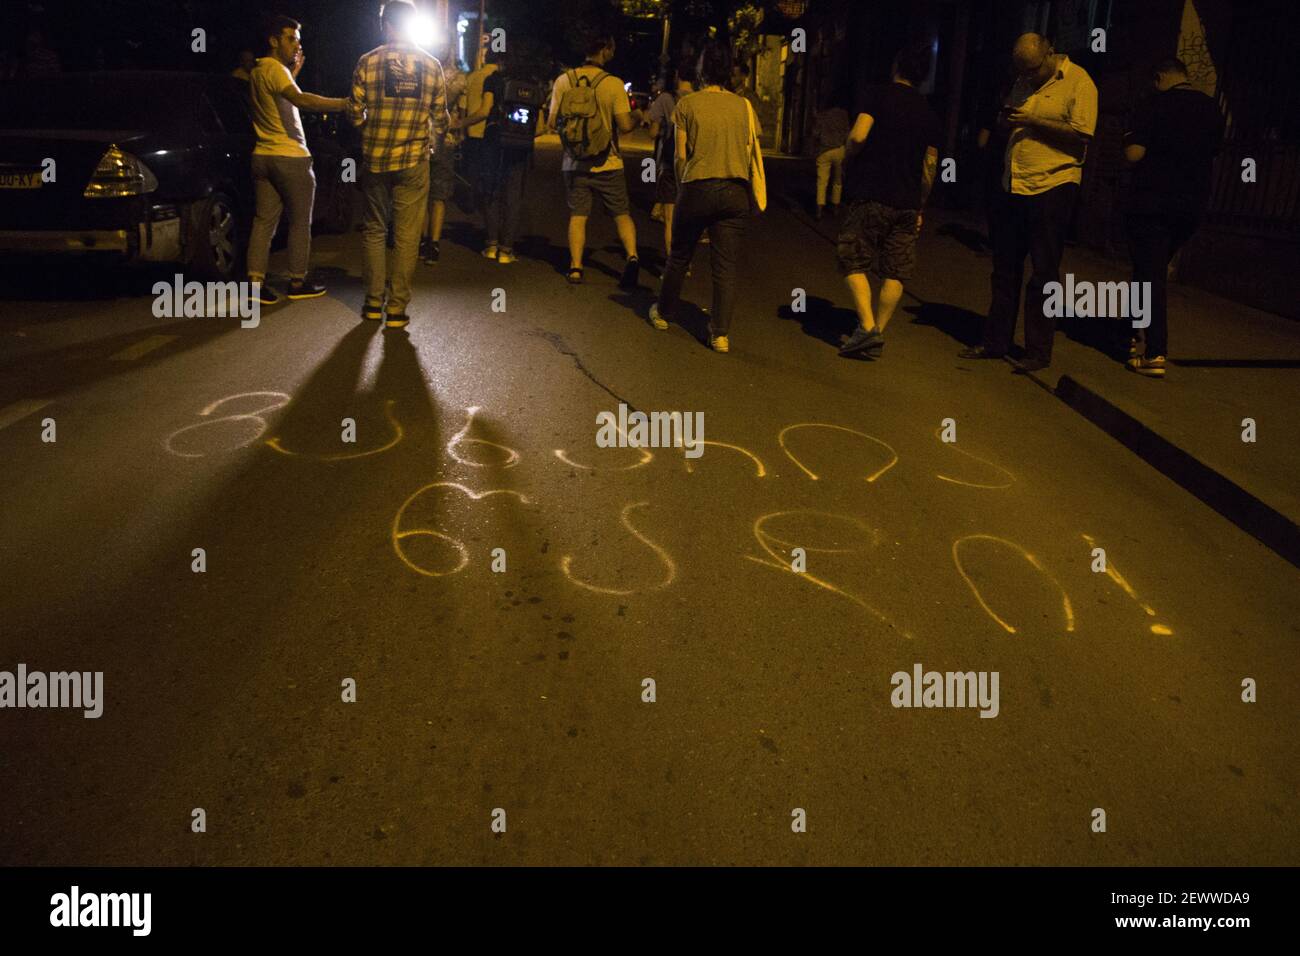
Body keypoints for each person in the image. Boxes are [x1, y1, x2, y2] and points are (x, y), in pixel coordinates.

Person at [961, 33, 1097, 371]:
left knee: (1044, 272)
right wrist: (1004, 124)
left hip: (1053, 184)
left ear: (1050, 53)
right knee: (1004, 267)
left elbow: (1082, 136)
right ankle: (995, 341)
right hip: (1015, 182)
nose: (1028, 77)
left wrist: (1033, 121)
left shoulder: (1080, 82)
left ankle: (1038, 351)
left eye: (1033, 70)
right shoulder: (1021, 81)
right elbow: (1007, 123)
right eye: (1022, 70)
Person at [649, 44, 758, 354]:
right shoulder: (744, 107)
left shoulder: (687, 105)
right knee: (725, 266)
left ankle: (664, 313)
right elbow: (751, 145)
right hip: (736, 190)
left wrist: (684, 187)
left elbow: (680, 156)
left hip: (698, 186)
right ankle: (720, 334)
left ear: (701, 70)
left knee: (680, 256)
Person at [835, 42, 941, 358]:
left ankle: (867, 327)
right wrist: (920, 206)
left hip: (871, 192)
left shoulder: (876, 94)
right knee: (896, 270)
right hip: (907, 200)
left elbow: (858, 135)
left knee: (851, 257)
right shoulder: (929, 112)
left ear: (897, 66)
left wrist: (847, 156)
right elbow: (930, 167)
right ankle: (877, 333)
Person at [348, 0, 449, 329]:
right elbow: (441, 118)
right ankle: (397, 309)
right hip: (413, 160)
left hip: (375, 159)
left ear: (384, 25)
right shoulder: (432, 65)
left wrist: (368, 130)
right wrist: (433, 142)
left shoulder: (367, 62)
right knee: (407, 236)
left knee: (375, 229)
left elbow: (354, 112)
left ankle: (373, 302)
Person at [1122, 58, 1223, 379]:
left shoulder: (1153, 104)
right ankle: (1134, 333)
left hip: (1153, 202)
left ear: (1160, 76)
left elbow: (1133, 154)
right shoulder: (1211, 108)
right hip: (1191, 205)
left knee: (1150, 276)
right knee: (1148, 270)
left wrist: (1129, 137)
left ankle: (1155, 352)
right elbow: (1214, 150)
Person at [245, 15, 348, 306]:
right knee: (301, 222)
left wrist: (294, 74)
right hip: (290, 156)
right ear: (273, 40)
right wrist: (344, 104)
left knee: (263, 222)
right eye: (290, 39)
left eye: (298, 41)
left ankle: (255, 284)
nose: (296, 45)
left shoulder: (259, 70)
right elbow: (302, 101)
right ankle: (297, 280)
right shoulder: (277, 70)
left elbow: (278, 101)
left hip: (263, 155)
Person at [547, 31, 643, 287]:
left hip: (574, 162)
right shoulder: (613, 84)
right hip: (608, 161)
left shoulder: (563, 81)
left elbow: (551, 122)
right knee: (621, 213)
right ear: (606, 50)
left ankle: (576, 267)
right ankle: (632, 258)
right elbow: (624, 125)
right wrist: (638, 116)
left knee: (578, 215)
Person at [454, 53, 535, 263]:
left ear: (502, 62)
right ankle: (506, 251)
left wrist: (459, 124)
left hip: (493, 141)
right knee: (513, 196)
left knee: (491, 190)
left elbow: (483, 111)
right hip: (520, 147)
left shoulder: (494, 80)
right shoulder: (533, 84)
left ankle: (491, 245)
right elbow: (541, 125)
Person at [420, 47, 466, 264]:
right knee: (421, 194)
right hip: (421, 138)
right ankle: (422, 240)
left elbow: (449, 100)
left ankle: (433, 242)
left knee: (438, 194)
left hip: (443, 139)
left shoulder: (455, 76)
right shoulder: (420, 67)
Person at [646, 63, 694, 261]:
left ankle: (672, 265)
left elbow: (653, 132)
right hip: (695, 167)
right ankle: (687, 262)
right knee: (689, 221)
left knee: (670, 220)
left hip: (670, 165)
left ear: (677, 75)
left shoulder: (666, 99)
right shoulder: (700, 98)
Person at [461, 50, 501, 237]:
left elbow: (463, 104)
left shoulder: (473, 77)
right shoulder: (499, 79)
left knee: (472, 168)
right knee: (489, 170)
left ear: (484, 59)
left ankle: (470, 199)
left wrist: (461, 125)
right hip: (491, 131)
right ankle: (485, 201)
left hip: (472, 129)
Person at [812, 98, 850, 220]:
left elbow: (815, 133)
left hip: (824, 151)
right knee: (837, 181)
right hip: (839, 150)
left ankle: (819, 210)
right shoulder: (844, 115)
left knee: (822, 181)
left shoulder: (822, 115)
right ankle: (835, 206)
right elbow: (847, 133)